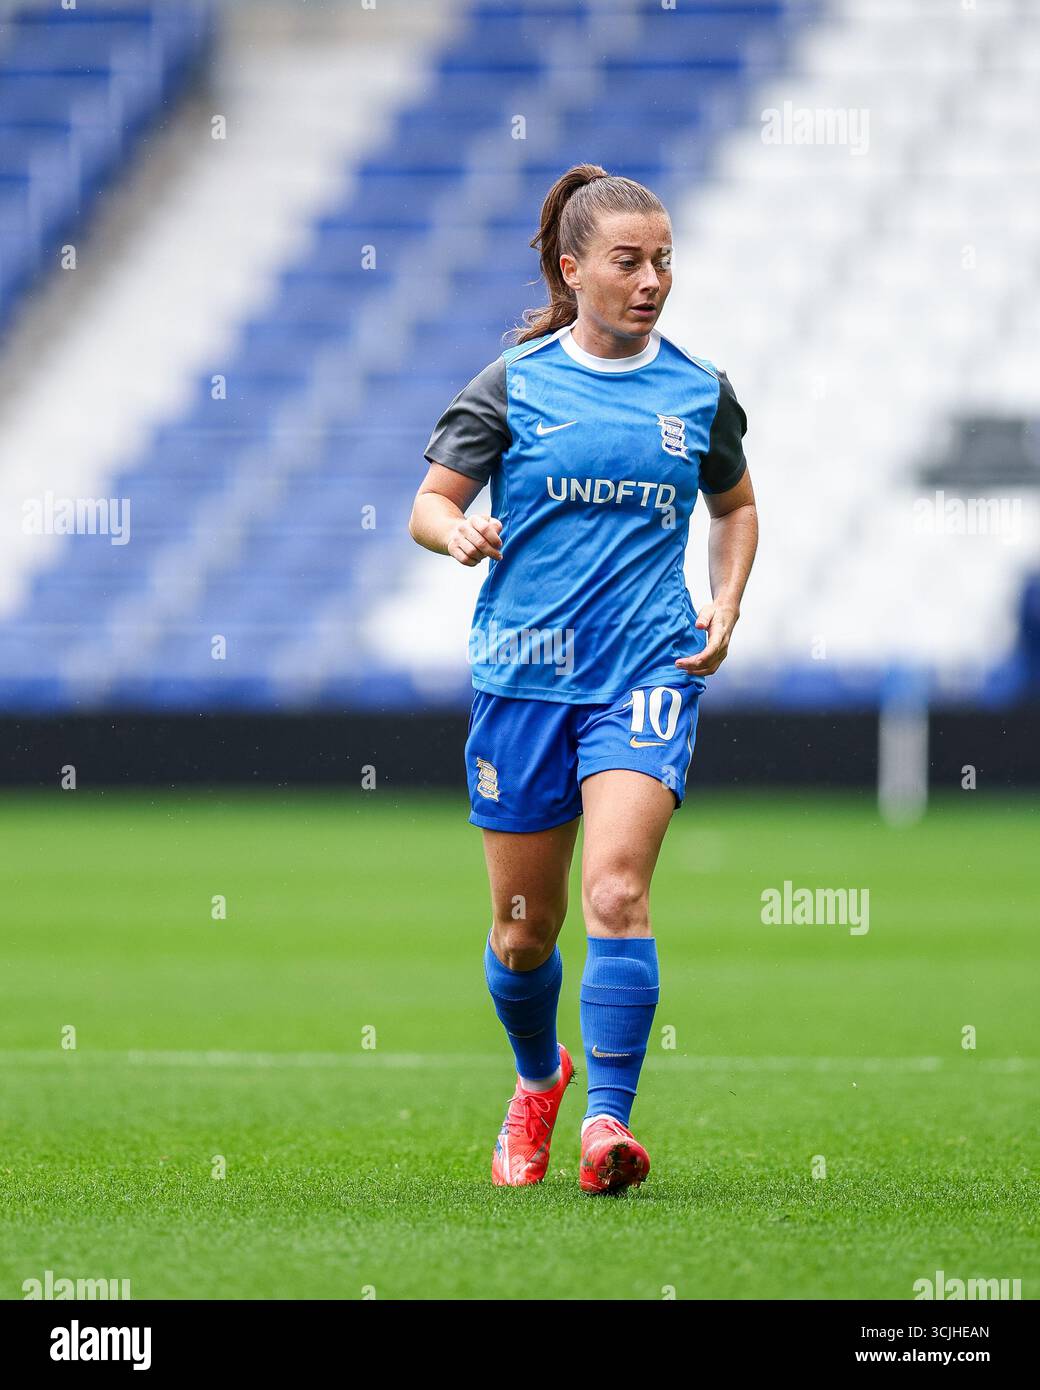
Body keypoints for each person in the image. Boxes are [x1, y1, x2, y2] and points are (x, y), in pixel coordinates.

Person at [408, 163, 758, 1194]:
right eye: (628, 260)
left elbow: (733, 506)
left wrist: (723, 601)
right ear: (573, 268)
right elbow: (428, 503)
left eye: (661, 260)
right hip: (522, 674)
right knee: (523, 937)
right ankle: (537, 1074)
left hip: (643, 667)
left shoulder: (698, 392)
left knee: (615, 887)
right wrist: (458, 530)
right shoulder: (513, 384)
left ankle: (607, 1124)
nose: (651, 279)